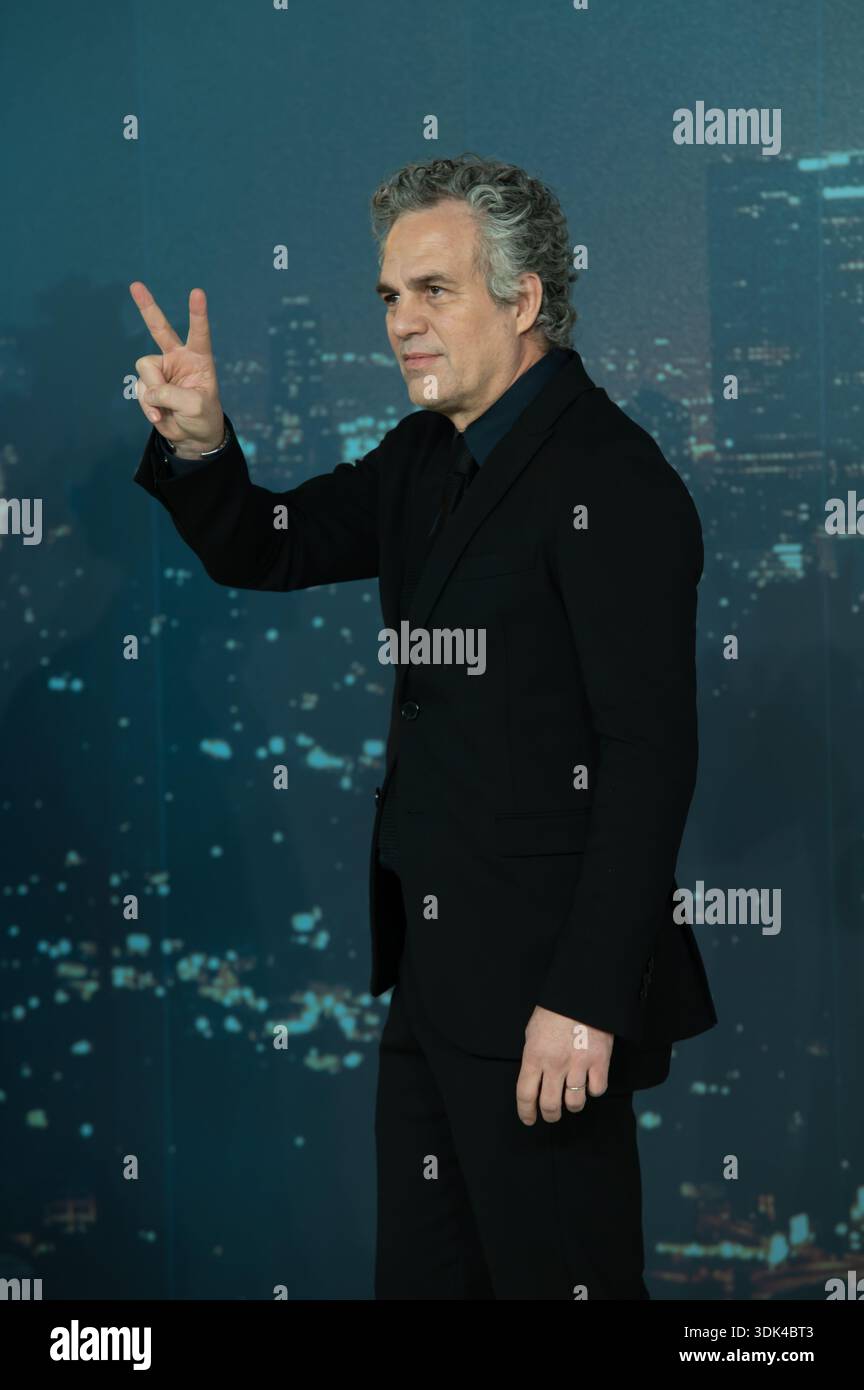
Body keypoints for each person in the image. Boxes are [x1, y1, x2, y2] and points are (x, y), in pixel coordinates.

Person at [129, 152, 717, 1300]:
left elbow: (651, 761)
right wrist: (201, 443)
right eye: (390, 296)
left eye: (434, 291)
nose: (402, 322)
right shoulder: (422, 455)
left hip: (550, 1003)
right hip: (434, 984)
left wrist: (588, 998)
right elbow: (273, 542)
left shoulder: (616, 480)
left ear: (525, 299)